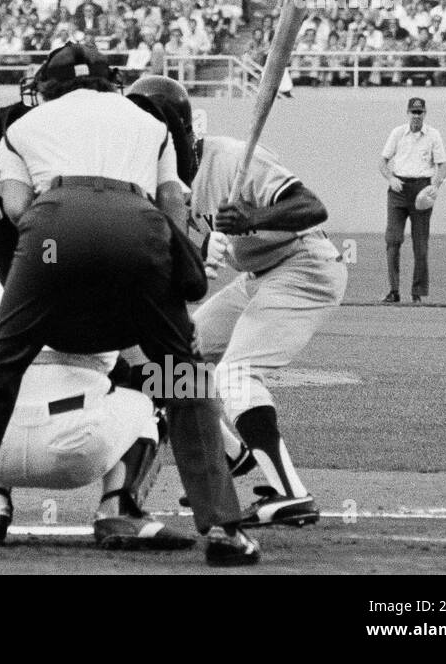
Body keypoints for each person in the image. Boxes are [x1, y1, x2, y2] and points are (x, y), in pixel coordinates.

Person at [0, 44, 258, 566]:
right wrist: (175, 259)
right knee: (181, 374)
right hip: (137, 225)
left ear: (48, 87)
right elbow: (172, 204)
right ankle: (224, 531)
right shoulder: (150, 124)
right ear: (108, 83)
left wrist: (52, 248)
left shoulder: (20, 126)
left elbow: (15, 205)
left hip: (54, 225)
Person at [129, 75, 346, 526]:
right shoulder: (159, 181)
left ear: (180, 133)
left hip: (305, 265)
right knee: (172, 365)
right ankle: (231, 456)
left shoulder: (230, 158)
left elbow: (312, 207)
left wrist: (254, 217)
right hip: (258, 276)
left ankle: (291, 496)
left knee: (237, 374)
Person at [0, 269, 194, 550]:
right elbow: (147, 377)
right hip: (80, 453)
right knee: (151, 396)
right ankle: (119, 509)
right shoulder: (110, 281)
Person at [379, 97, 446, 304]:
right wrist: (390, 178)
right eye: (413, 112)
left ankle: (417, 292)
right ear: (407, 113)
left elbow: (442, 166)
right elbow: (382, 161)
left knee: (420, 243)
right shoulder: (398, 133)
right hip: (399, 189)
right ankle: (394, 290)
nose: (416, 116)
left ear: (425, 114)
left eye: (420, 112)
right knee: (393, 240)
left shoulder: (433, 135)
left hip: (421, 188)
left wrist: (434, 186)